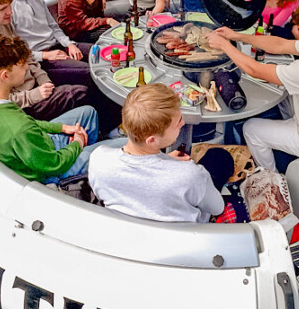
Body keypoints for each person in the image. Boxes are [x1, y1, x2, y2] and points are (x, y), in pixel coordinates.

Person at [207, 2, 299, 173]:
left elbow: (255, 70)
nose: (296, 33)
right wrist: (237, 36)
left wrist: (224, 46)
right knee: (284, 91)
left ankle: (272, 176)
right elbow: (281, 45)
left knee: (251, 129)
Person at [0, 33, 125, 183]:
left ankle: (88, 153)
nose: (27, 68)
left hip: (37, 146)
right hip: (51, 169)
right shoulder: (17, 129)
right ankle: (88, 161)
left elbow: (28, 123)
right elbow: (54, 164)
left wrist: (62, 128)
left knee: (88, 113)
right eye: (22, 65)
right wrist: (76, 143)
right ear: (4, 75)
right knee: (118, 147)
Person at [88, 83, 234, 223]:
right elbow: (216, 208)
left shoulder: (98, 160)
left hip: (129, 227)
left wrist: (166, 160)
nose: (183, 123)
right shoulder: (191, 175)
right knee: (219, 158)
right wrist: (174, 166)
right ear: (152, 140)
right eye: (178, 122)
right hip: (183, 233)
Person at [8, 0, 91, 87]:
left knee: (99, 51)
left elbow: (53, 26)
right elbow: (14, 50)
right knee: (88, 71)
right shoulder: (7, 8)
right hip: (41, 59)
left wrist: (68, 44)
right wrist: (45, 56)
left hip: (58, 45)